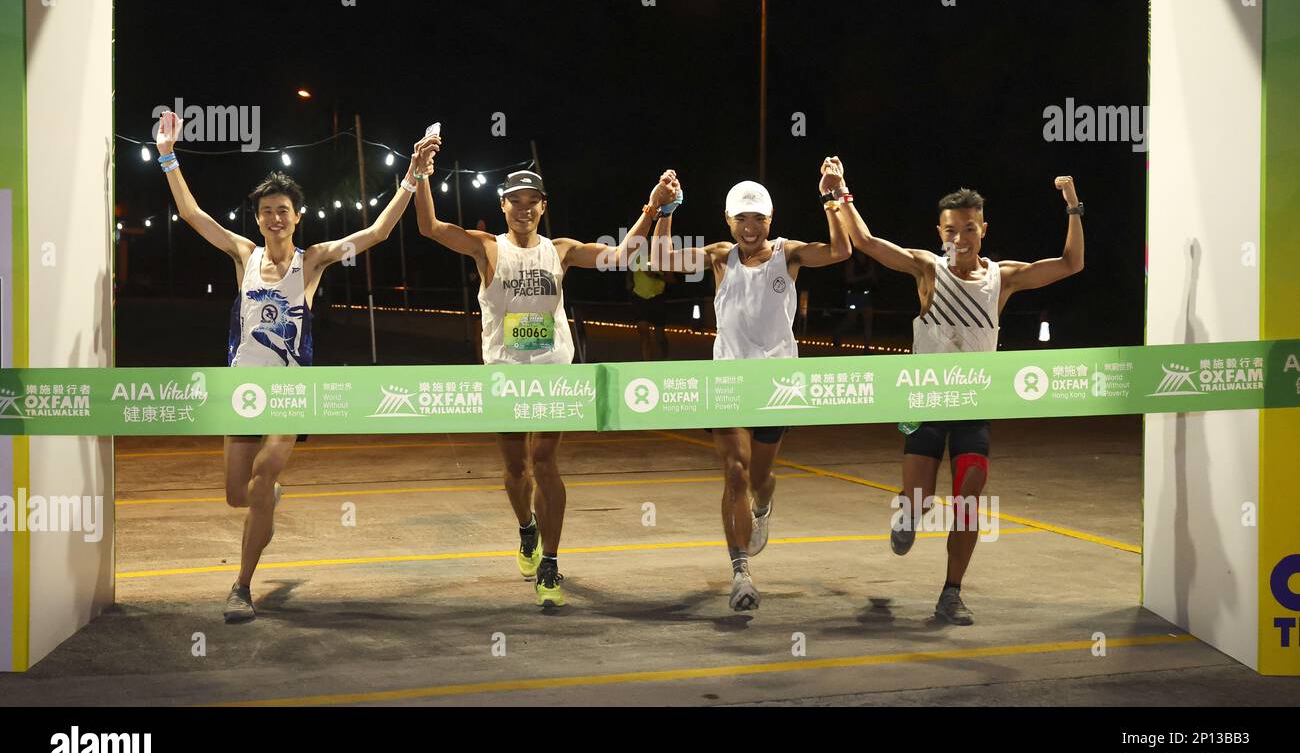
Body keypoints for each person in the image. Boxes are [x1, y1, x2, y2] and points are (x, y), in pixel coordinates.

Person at [155, 109, 438, 623]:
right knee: (237, 495)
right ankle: (269, 498)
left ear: (297, 215)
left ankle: (241, 587)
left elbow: (375, 233)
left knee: (262, 478)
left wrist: (413, 176)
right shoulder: (242, 255)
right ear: (258, 218)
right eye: (266, 210)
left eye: (283, 209)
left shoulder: (313, 261)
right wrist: (168, 156)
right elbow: (195, 216)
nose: (275, 217)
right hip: (242, 393)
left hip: (288, 393)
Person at [413, 126, 679, 607]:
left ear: (542, 206)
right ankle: (527, 529)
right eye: (515, 200)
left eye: (532, 200)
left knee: (544, 461)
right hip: (505, 372)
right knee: (515, 469)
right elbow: (430, 228)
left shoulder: (561, 250)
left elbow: (621, 257)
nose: (524, 208)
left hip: (554, 370)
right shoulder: (487, 247)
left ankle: (551, 564)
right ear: (503, 206)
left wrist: (652, 207)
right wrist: (420, 175)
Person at [825, 164, 1084, 624]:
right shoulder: (928, 268)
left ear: (984, 229)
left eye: (969, 228)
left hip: (974, 406)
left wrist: (1072, 204)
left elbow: (1071, 264)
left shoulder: (1001, 278)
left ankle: (951, 593)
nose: (960, 238)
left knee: (968, 499)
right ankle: (908, 514)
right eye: (951, 230)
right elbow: (866, 243)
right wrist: (841, 193)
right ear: (939, 232)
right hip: (922, 404)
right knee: (920, 501)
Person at [649, 161, 850, 611]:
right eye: (741, 217)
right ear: (729, 220)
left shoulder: (789, 253)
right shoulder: (721, 256)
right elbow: (660, 260)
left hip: (777, 382)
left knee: (760, 477)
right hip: (728, 379)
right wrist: (666, 210)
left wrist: (832, 197)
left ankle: (763, 506)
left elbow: (840, 251)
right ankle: (740, 572)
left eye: (757, 217)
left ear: (770, 219)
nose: (750, 226)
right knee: (735, 470)